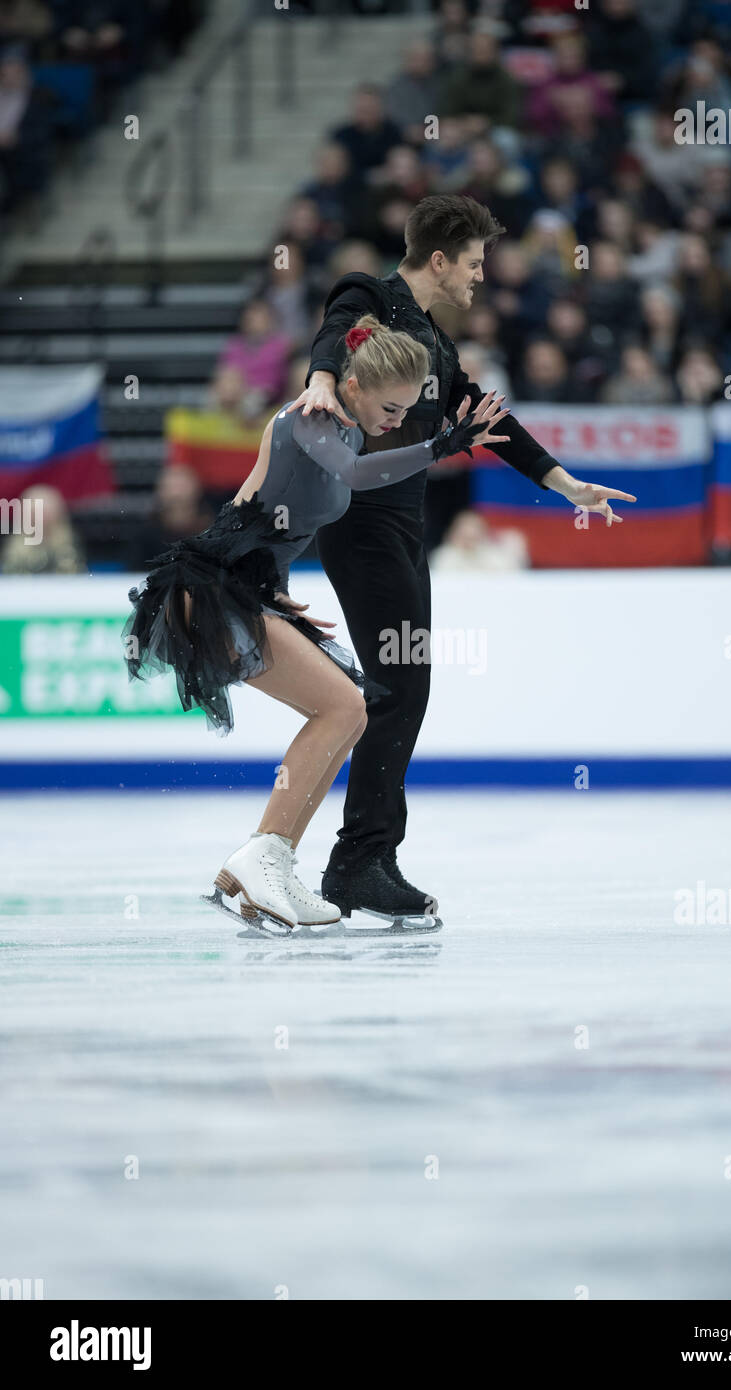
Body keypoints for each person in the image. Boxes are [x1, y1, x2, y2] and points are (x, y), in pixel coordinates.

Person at [287, 194, 635, 923]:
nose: (481, 277)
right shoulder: (373, 294)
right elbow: (335, 330)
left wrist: (566, 484)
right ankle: (358, 861)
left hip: (402, 531)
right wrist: (322, 378)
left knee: (404, 686)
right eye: (474, 263)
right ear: (439, 259)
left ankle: (369, 856)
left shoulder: (438, 351)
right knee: (397, 686)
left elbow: (488, 419)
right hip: (360, 523)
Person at [122, 316, 511, 934]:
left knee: (352, 711)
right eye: (390, 407)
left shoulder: (350, 432)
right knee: (338, 707)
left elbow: (272, 515)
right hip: (210, 587)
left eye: (407, 411)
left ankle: (269, 862)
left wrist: (274, 592)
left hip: (243, 588)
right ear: (351, 385)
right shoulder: (309, 417)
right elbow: (349, 479)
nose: (395, 421)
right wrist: (443, 445)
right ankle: (262, 856)